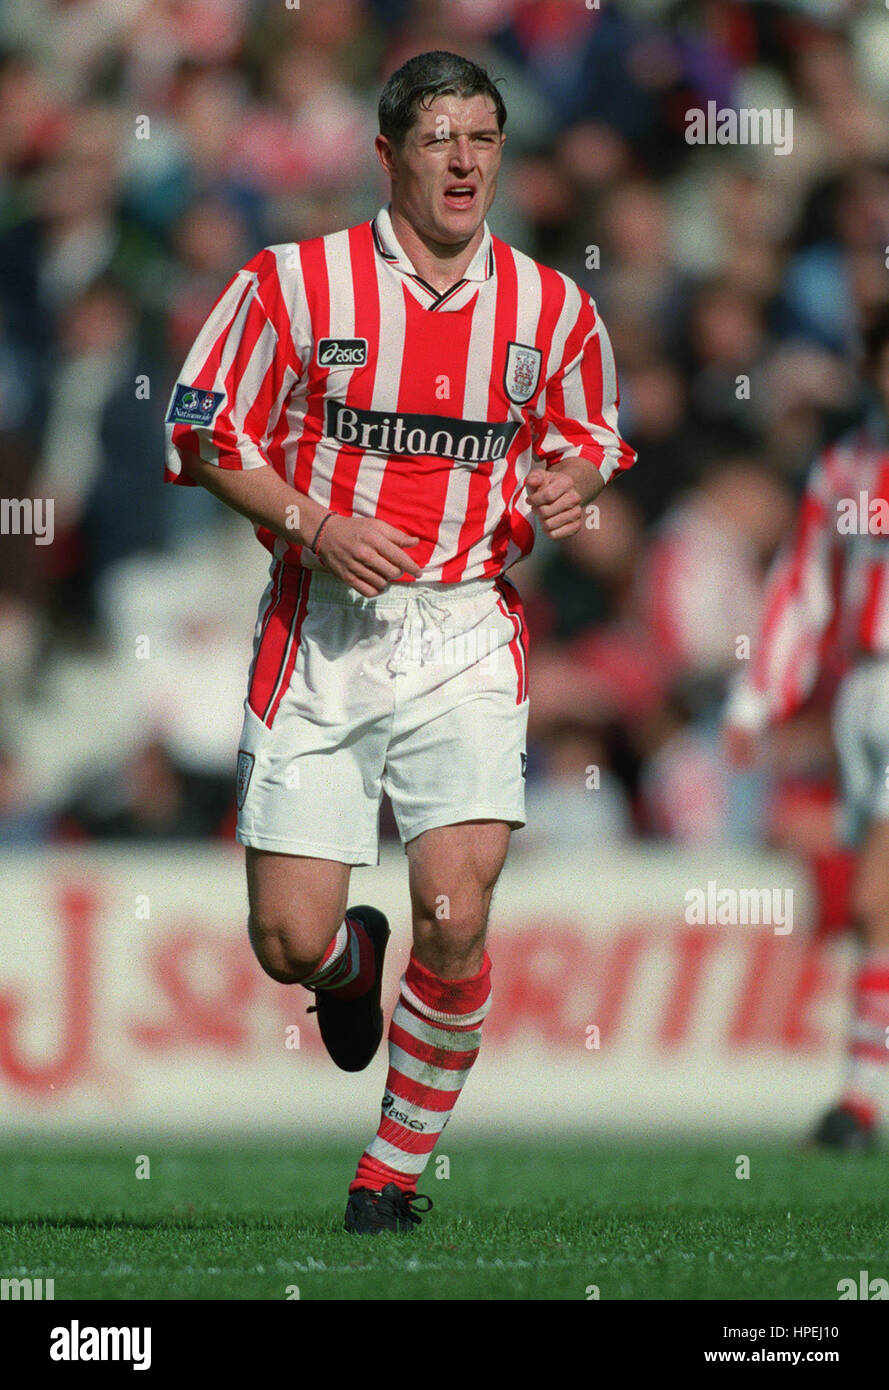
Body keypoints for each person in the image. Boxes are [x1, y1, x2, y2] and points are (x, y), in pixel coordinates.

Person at [165, 51, 635, 1231]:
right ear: (388, 156)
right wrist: (314, 521)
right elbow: (200, 426)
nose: (465, 159)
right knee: (286, 938)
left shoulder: (552, 306)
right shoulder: (291, 284)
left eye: (483, 135)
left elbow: (588, 437)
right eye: (438, 138)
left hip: (466, 629)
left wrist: (572, 484)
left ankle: (390, 1174)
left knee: (459, 913)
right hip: (322, 631)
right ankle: (343, 966)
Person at [724, 305, 889, 1152]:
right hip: (866, 696)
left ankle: (857, 1103)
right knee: (873, 906)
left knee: (874, 895)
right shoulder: (847, 469)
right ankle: (857, 1097)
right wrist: (759, 700)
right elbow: (803, 588)